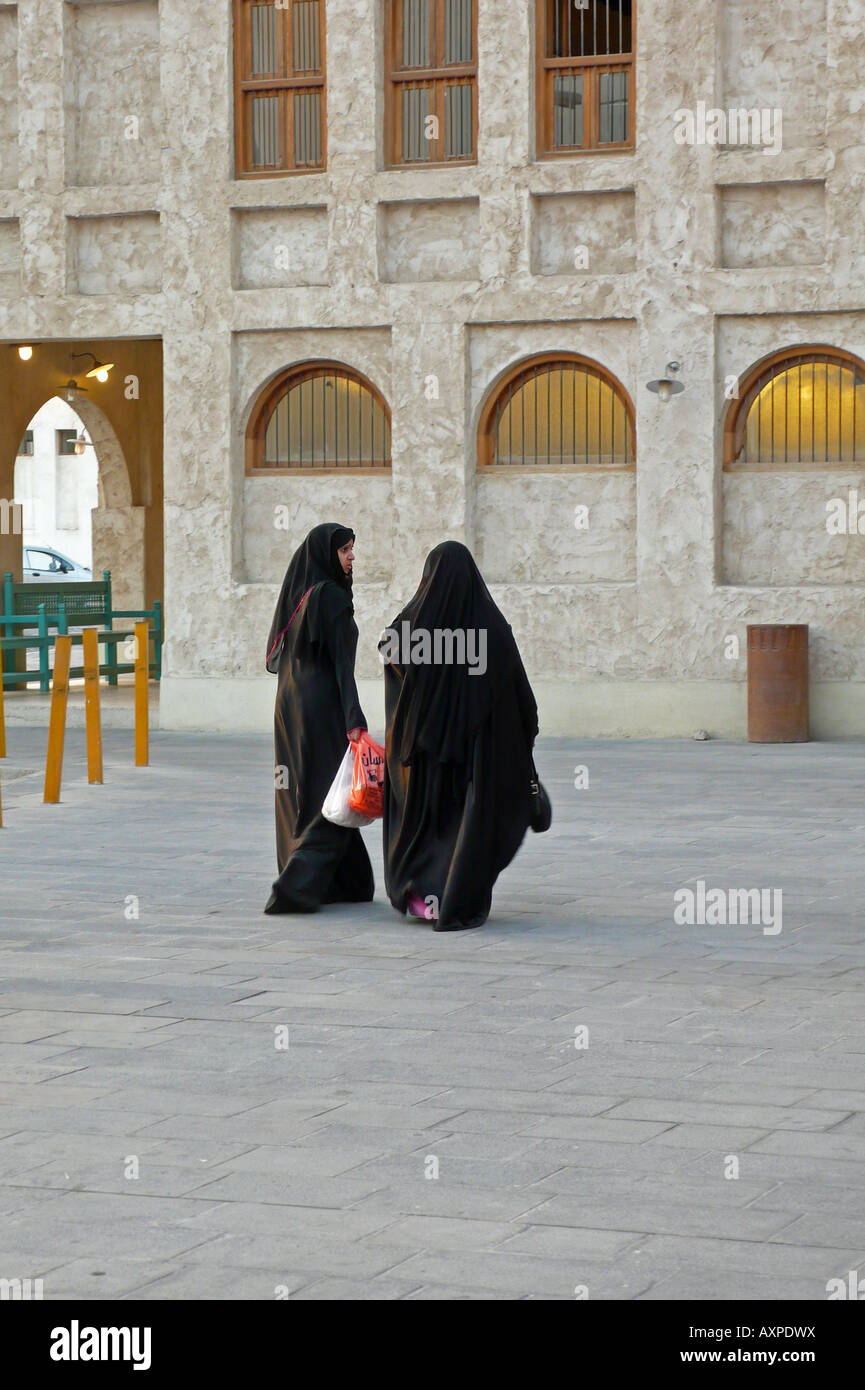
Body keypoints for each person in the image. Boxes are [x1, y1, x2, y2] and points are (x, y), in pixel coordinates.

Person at [380, 540, 539, 931]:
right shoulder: (493, 629)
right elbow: (521, 697)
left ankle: (423, 895)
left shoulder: (417, 623)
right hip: (473, 755)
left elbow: (388, 648)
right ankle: (455, 893)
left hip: (422, 753)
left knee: (427, 824)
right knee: (463, 827)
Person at [264, 522, 374, 914]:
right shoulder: (329, 597)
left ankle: (330, 878)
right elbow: (342, 665)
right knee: (328, 790)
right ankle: (301, 883)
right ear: (327, 555)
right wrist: (354, 719)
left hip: (291, 705)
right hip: (322, 705)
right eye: (345, 550)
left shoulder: (304, 594)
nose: (351, 557)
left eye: (351, 549)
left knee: (299, 785)